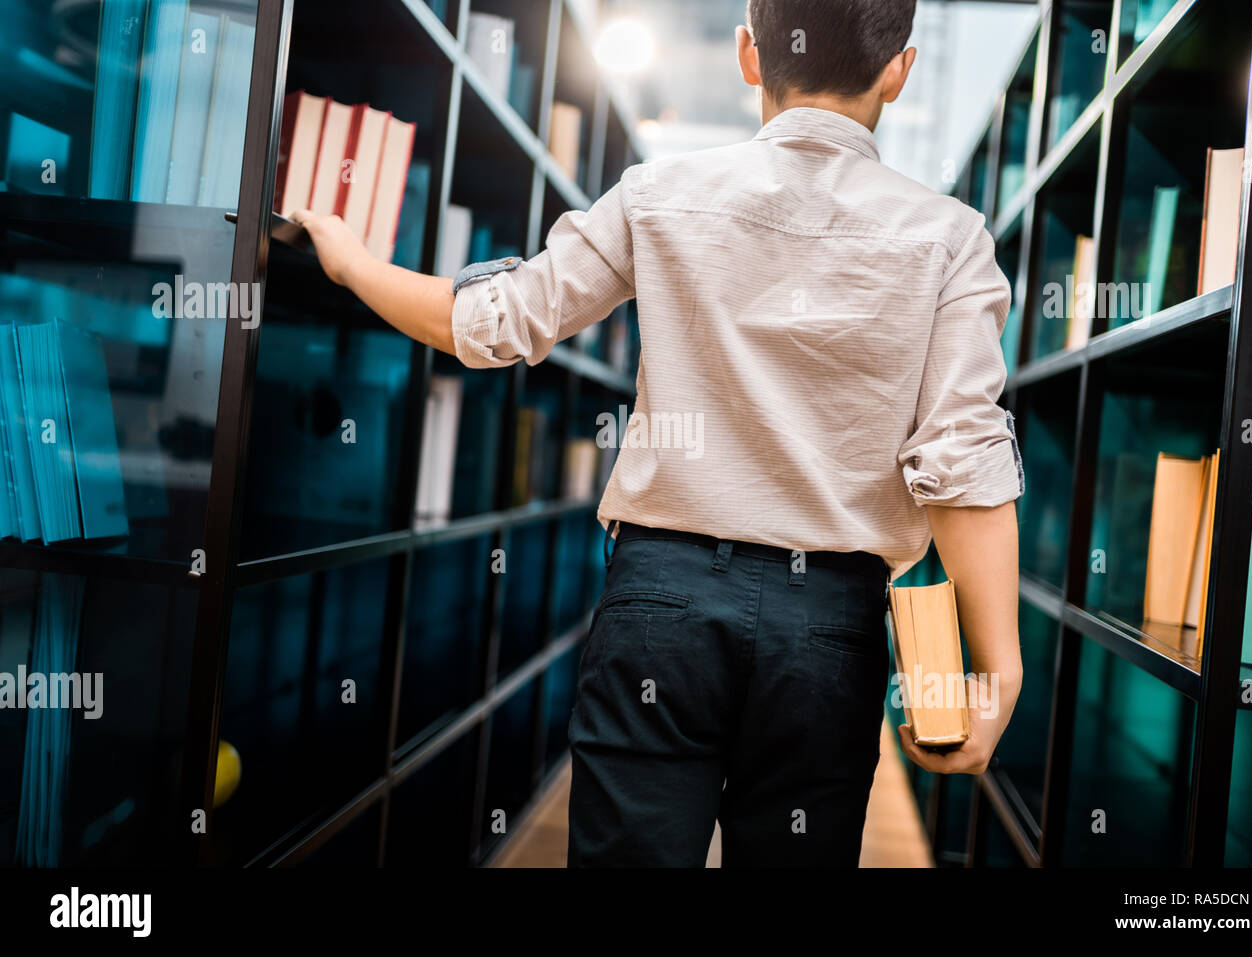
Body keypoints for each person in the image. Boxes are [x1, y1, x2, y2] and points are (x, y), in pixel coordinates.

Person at [293, 0, 1023, 868]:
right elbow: (961, 462)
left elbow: (498, 321)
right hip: (828, 630)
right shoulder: (952, 242)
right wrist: (996, 669)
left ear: (750, 56)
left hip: (662, 604)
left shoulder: (661, 194)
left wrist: (350, 261)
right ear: (898, 70)